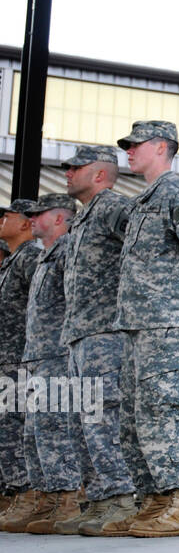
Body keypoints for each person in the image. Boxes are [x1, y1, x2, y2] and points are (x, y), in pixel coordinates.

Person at [102, 121, 179, 539]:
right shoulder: (142, 202)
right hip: (138, 325)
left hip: (167, 322)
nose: (129, 152)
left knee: (163, 410)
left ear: (160, 147)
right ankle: (153, 502)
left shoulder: (175, 193)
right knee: (136, 417)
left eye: (135, 145)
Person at [57, 144, 138, 536]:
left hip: (107, 334)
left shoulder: (113, 209)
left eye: (76, 168)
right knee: (83, 423)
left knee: (105, 419)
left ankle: (123, 501)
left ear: (101, 174)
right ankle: (102, 499)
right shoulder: (81, 218)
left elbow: (152, 252)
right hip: (79, 335)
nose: (68, 173)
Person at [6, 195, 81, 533]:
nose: (33, 218)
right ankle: (44, 499)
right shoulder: (45, 256)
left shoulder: (62, 253)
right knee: (34, 434)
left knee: (54, 430)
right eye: (30, 214)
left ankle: (65, 502)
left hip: (56, 356)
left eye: (40, 213)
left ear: (59, 218)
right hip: (35, 356)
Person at [0, 199, 42, 528]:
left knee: (15, 427)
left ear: (26, 223)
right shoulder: (12, 261)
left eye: (8, 216)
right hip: (7, 360)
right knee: (7, 428)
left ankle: (23, 493)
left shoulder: (29, 258)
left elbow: (41, 308)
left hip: (19, 360)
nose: (2, 220)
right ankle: (12, 494)